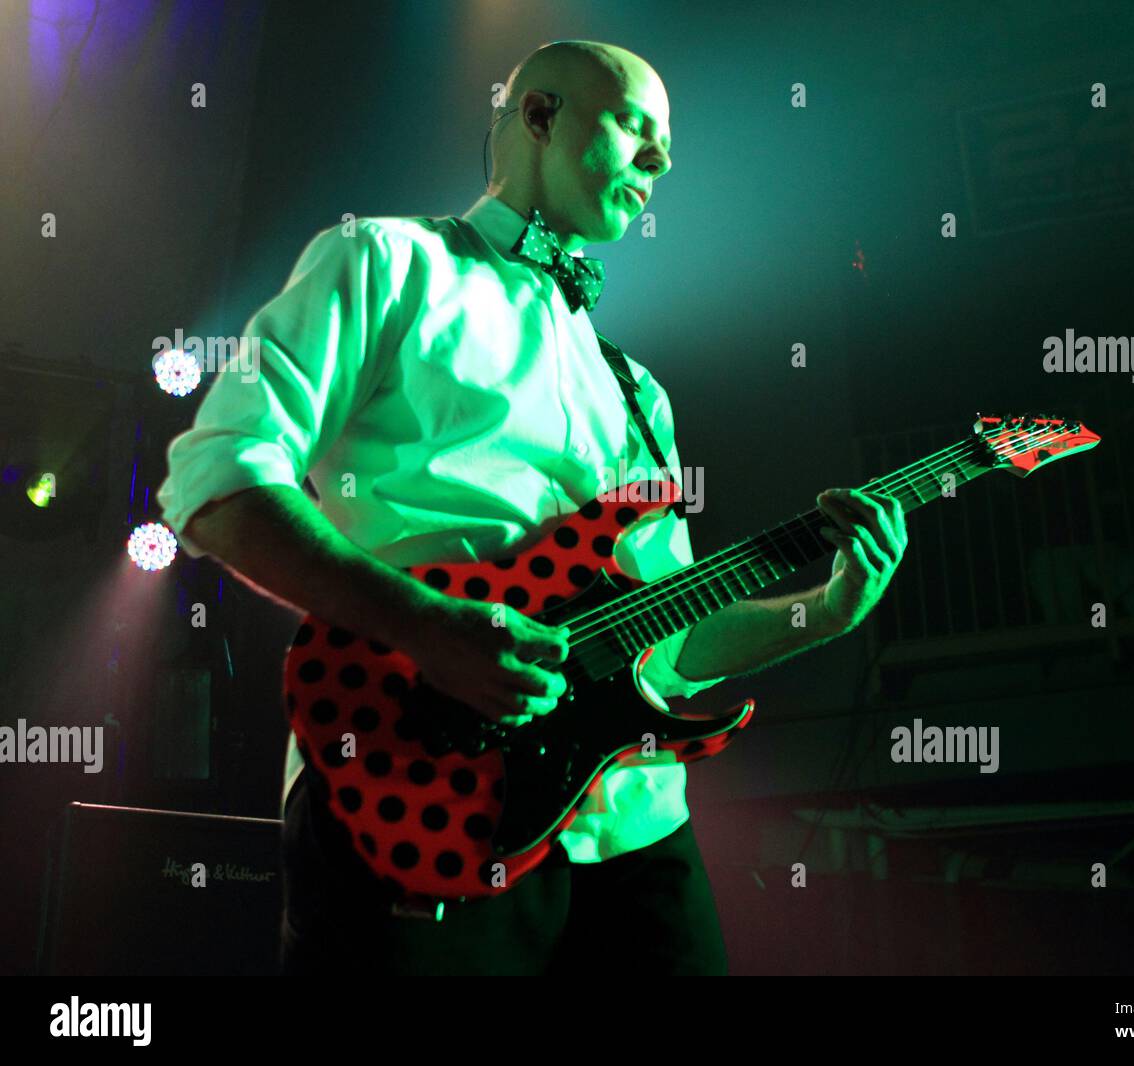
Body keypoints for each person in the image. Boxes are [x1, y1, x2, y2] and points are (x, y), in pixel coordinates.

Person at [157, 39, 907, 976]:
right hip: (417, 794)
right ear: (539, 115)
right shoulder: (388, 264)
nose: (662, 161)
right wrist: (426, 625)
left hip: (634, 831)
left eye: (667, 144)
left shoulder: (636, 389)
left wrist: (822, 612)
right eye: (636, 125)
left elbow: (663, 647)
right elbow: (217, 479)